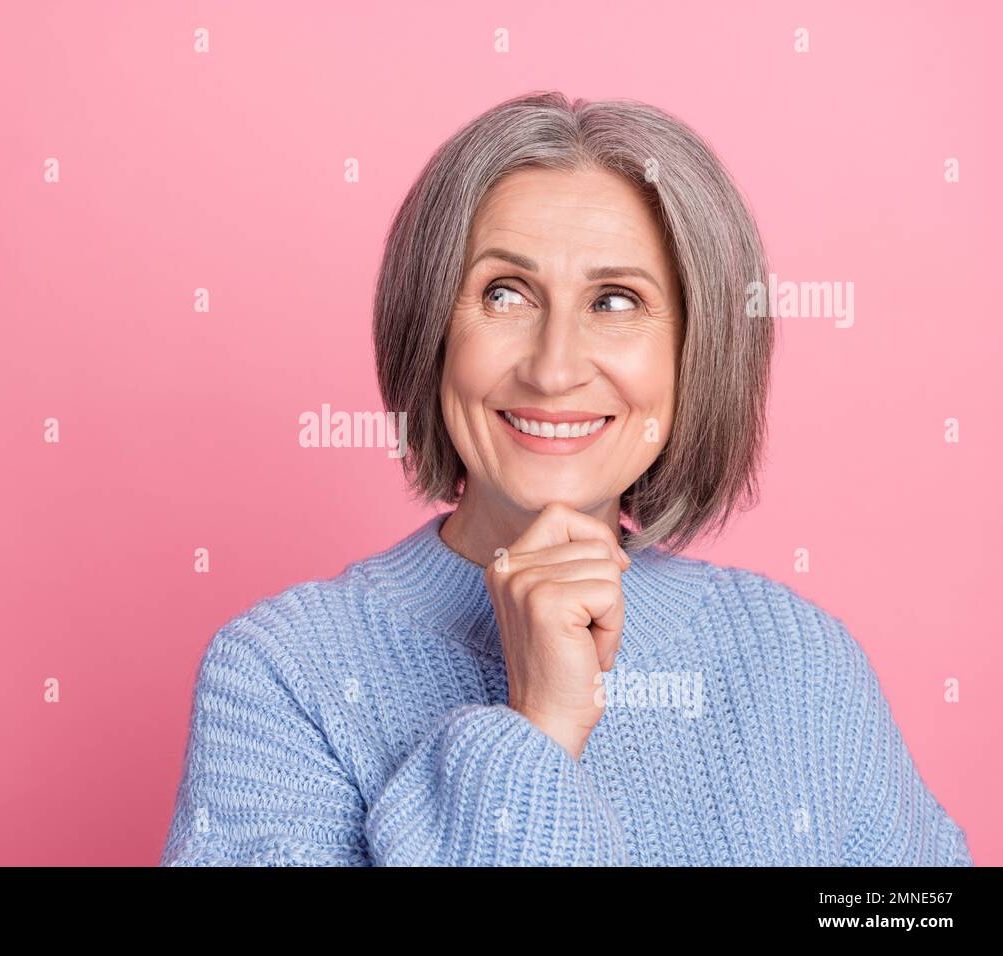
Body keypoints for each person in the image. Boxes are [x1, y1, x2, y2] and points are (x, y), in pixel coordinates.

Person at [158, 91, 972, 866]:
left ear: (696, 353)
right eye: (505, 293)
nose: (553, 370)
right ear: (431, 327)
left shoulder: (798, 658)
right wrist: (538, 728)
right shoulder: (280, 674)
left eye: (616, 302)